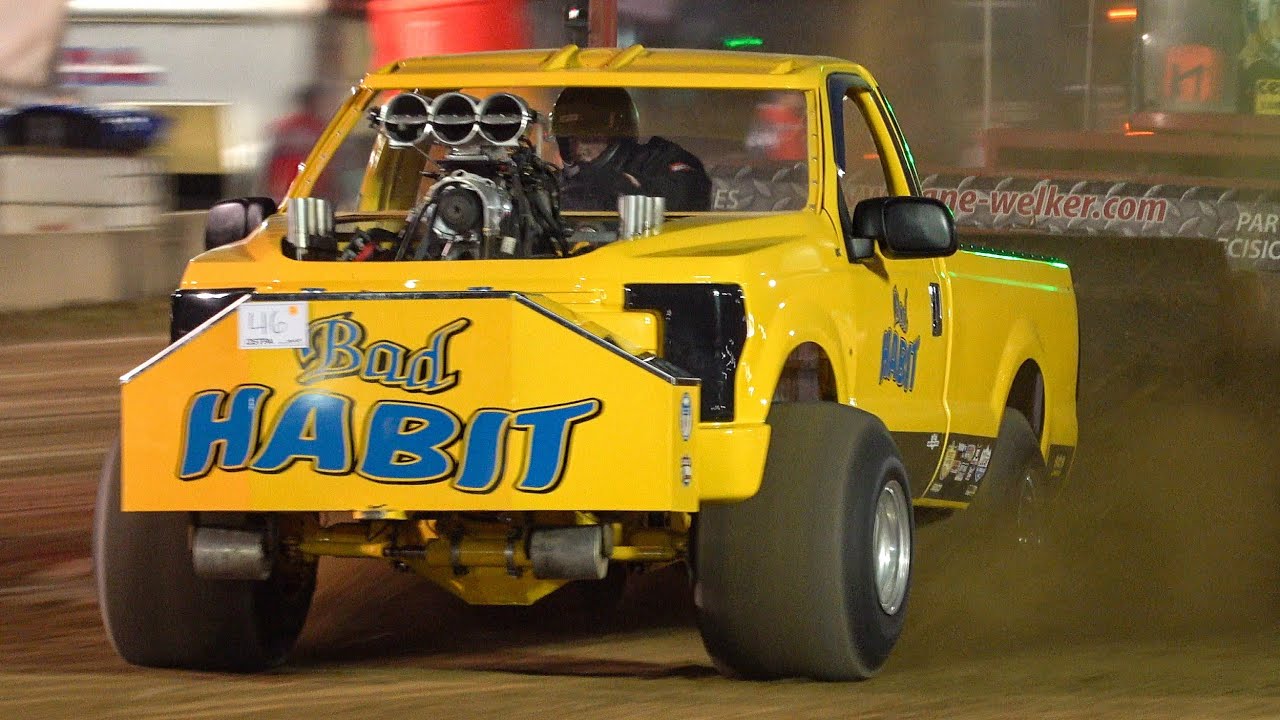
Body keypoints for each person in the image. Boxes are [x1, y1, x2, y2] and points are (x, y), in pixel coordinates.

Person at [551, 86, 711, 212]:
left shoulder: (657, 159)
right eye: (570, 140)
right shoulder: (553, 180)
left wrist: (634, 189)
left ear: (617, 133)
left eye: (589, 138)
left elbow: (688, 192)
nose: (579, 149)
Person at [262, 84, 329, 200]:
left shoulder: (283, 127)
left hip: (287, 190)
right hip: (307, 189)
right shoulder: (320, 128)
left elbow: (269, 162)